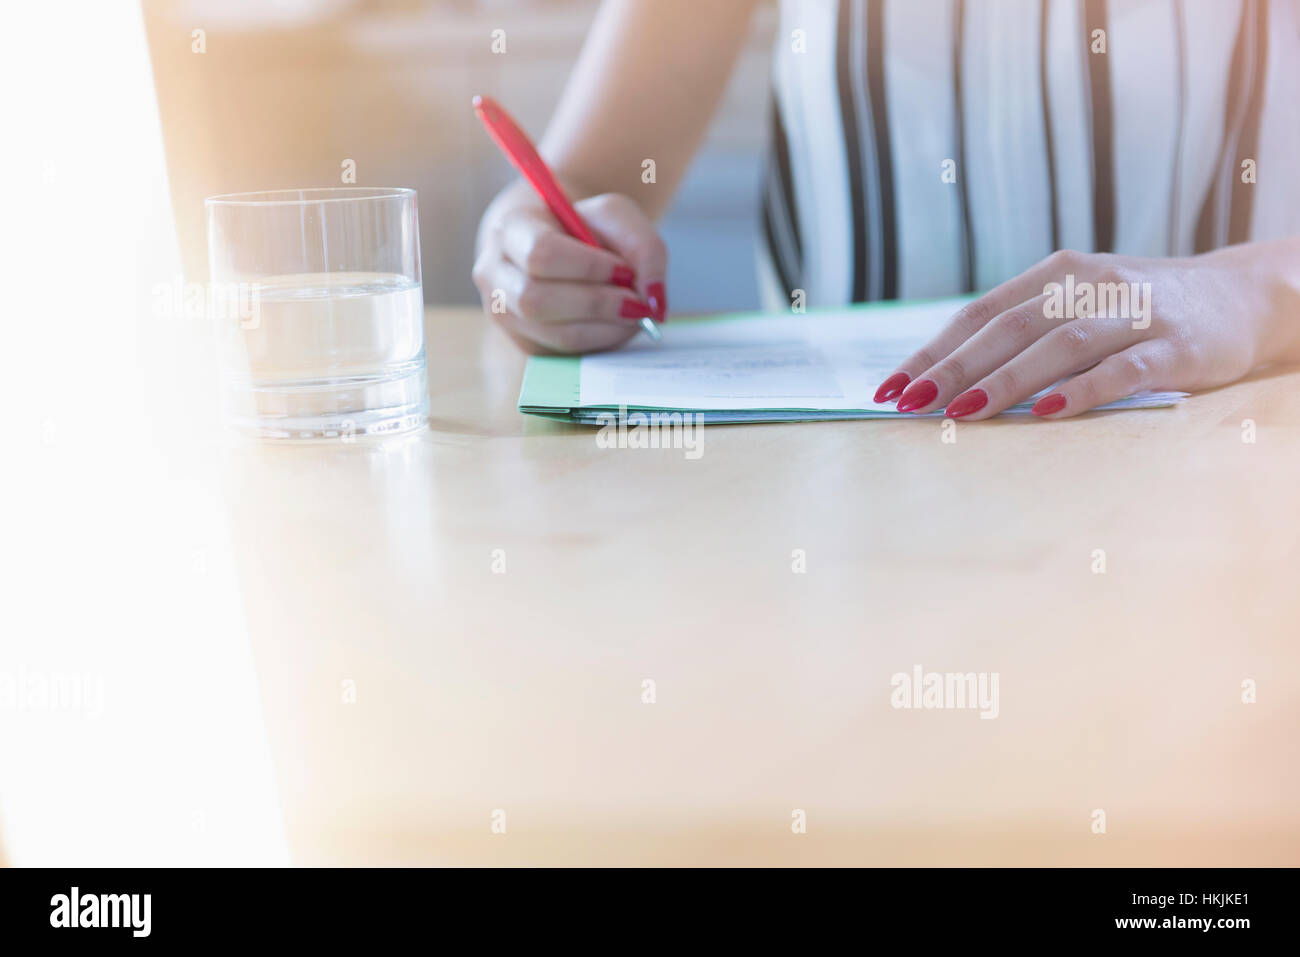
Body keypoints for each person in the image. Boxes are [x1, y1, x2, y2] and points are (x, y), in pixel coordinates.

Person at [472, 0, 1299, 418]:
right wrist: (530, 251)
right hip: (852, 483)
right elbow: (577, 182)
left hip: (1218, 463)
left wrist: (1256, 289)